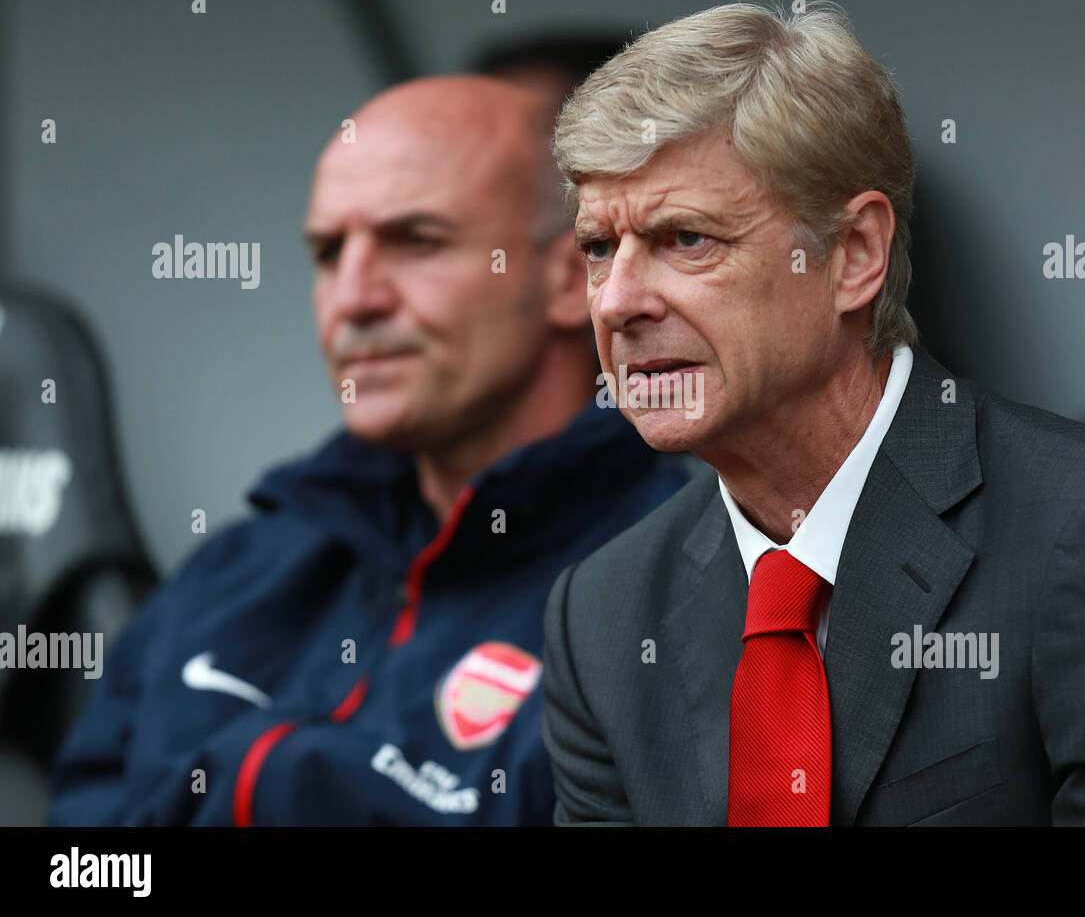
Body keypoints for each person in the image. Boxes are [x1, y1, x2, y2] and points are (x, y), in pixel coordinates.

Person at [540, 1, 1085, 826]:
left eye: (686, 239)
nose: (616, 303)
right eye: (597, 248)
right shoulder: (602, 612)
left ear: (856, 255)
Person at [48, 76, 688, 825]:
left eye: (416, 241)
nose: (353, 298)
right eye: (327, 252)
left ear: (570, 274)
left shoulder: (676, 594)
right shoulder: (240, 569)